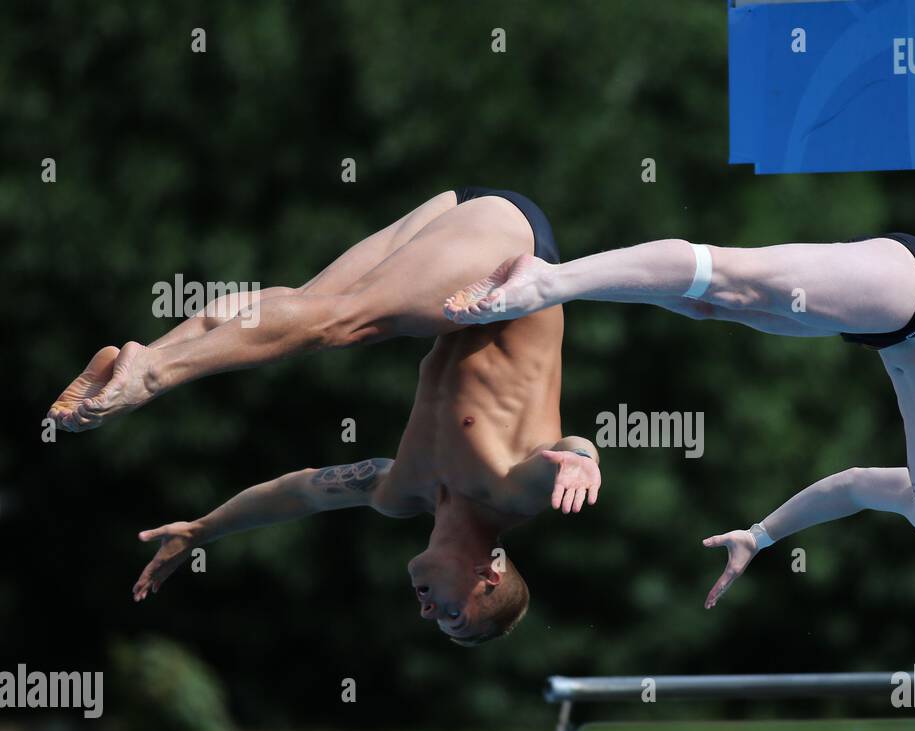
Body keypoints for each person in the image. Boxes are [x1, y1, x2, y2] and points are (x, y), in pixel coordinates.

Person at [444, 233, 915, 665]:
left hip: (883, 330)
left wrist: (763, 534)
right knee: (734, 279)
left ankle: (557, 283)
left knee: (706, 305)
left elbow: (851, 487)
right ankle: (546, 282)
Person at [47, 187, 601, 645]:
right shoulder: (512, 494)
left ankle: (139, 359)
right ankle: (151, 373)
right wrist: (583, 463)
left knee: (305, 305)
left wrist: (201, 530)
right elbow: (566, 452)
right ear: (489, 576)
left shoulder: (400, 493)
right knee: (340, 324)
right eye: (454, 617)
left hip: (463, 226)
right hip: (513, 254)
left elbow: (300, 493)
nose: (430, 615)